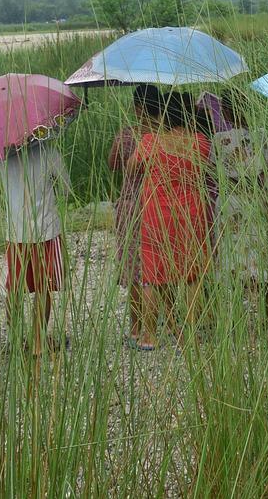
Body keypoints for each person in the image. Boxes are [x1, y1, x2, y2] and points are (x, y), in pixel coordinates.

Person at [130, 93, 213, 350]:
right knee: (192, 275)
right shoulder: (201, 142)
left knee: (153, 277)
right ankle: (190, 336)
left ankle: (149, 336)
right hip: (191, 213)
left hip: (157, 214)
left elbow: (132, 169)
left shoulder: (149, 142)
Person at [1, 137, 69, 353]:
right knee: (44, 285)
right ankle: (39, 341)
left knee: (15, 288)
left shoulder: (3, 156)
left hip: (16, 231)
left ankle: (14, 340)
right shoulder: (48, 151)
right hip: (46, 230)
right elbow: (67, 189)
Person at [211, 92, 268, 322]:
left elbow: (213, 171)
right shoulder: (261, 137)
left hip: (230, 203)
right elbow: (266, 171)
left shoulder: (219, 139)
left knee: (231, 257)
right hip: (255, 202)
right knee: (261, 256)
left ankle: (236, 317)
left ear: (225, 111)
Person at [110, 84, 161, 344]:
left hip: (131, 206)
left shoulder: (129, 135)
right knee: (159, 265)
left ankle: (136, 325)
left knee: (133, 268)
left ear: (137, 108)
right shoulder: (166, 136)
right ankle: (167, 319)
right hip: (158, 205)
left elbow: (112, 163)